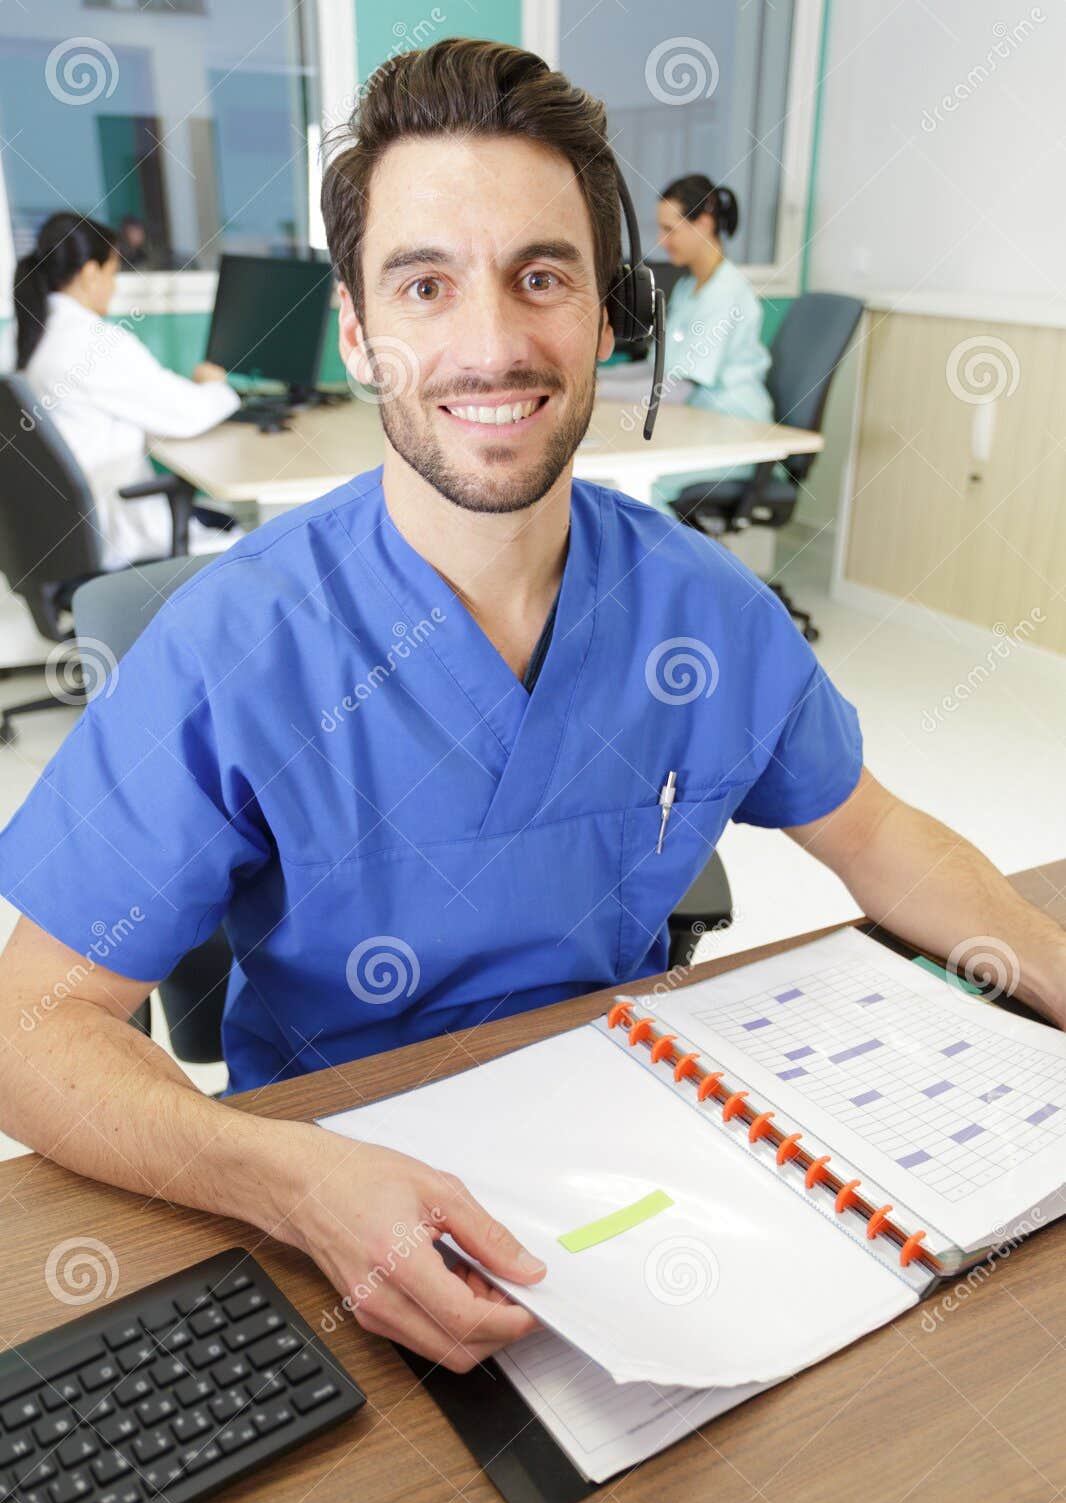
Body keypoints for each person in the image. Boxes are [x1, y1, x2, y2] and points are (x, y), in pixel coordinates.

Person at [0, 41, 1062, 1376]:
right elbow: (29, 1028)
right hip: (330, 1209)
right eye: (425, 283)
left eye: (540, 276)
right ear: (354, 326)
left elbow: (882, 836)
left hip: (637, 1171)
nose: (492, 343)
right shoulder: (239, 642)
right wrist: (289, 1183)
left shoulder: (698, 613)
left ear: (607, 313)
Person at [14, 212, 239, 568]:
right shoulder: (92, 343)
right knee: (250, 544)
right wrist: (215, 386)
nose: (115, 286)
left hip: (68, 536)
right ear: (90, 273)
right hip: (116, 533)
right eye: (112, 273)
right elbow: (186, 416)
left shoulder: (36, 336)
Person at [597, 173, 772, 513]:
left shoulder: (727, 293)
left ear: (704, 223)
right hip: (698, 425)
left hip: (735, 432)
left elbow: (680, 388)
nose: (662, 241)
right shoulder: (687, 288)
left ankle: (677, 568)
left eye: (670, 229)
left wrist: (595, 391)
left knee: (641, 486)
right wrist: (594, 380)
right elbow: (656, 368)